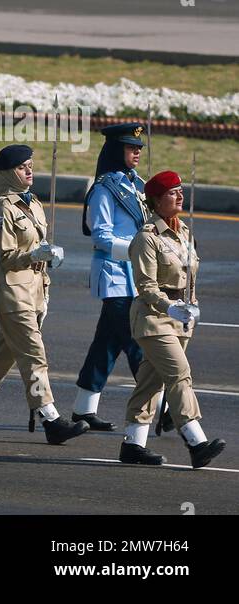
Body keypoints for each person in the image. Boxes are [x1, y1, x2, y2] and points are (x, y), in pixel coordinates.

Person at [0, 145, 88, 444]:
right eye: (22, 167)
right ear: (6, 174)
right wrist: (33, 254)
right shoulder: (4, 207)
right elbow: (7, 257)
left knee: (3, 357)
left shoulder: (35, 203)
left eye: (30, 165)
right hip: (14, 292)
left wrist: (48, 255)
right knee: (33, 356)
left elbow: (37, 247)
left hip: (36, 290)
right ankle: (50, 418)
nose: (29, 171)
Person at [119, 171, 225, 469]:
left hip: (180, 318)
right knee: (179, 374)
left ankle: (133, 444)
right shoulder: (146, 238)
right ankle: (196, 441)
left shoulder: (185, 233)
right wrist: (170, 307)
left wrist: (191, 305)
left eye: (181, 191)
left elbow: (189, 278)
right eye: (172, 192)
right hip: (154, 319)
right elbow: (146, 286)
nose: (179, 196)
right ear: (155, 200)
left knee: (150, 383)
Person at [73, 123, 153, 432]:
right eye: (131, 147)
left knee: (106, 344)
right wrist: (136, 251)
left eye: (138, 148)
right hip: (114, 275)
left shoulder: (137, 185)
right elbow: (101, 235)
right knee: (137, 343)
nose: (136, 152)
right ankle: (166, 407)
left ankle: (83, 408)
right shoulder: (104, 188)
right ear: (115, 151)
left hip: (135, 276)